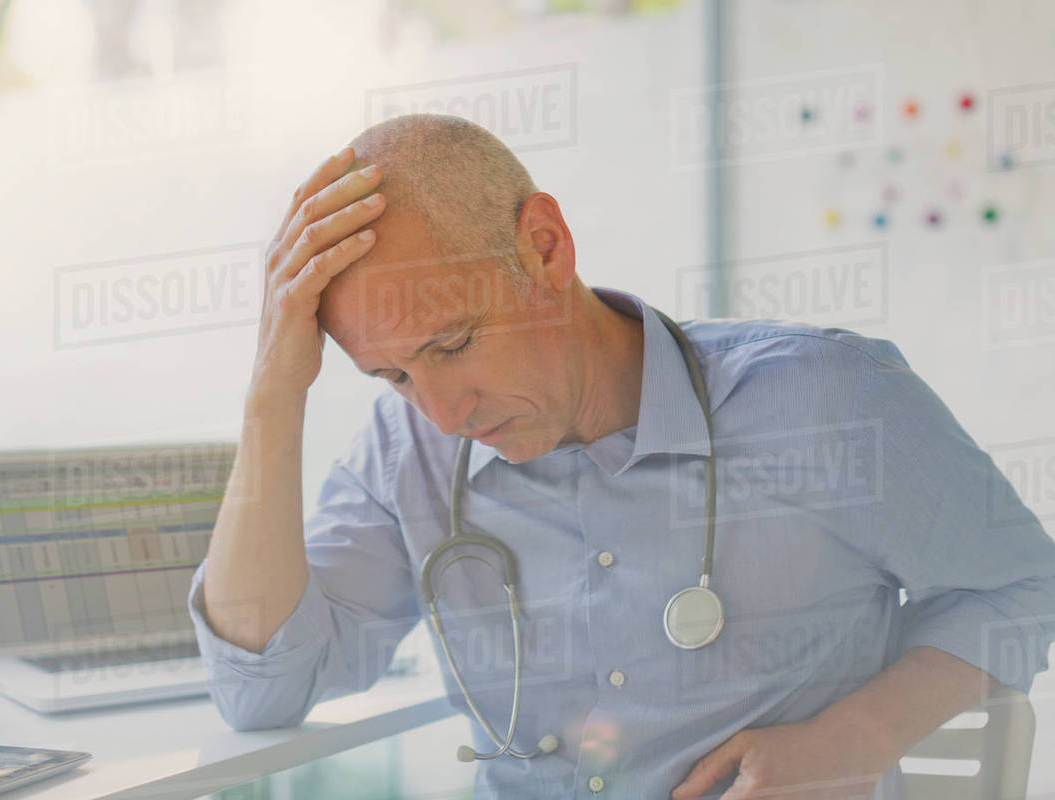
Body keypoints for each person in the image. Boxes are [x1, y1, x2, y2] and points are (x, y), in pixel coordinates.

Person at [187, 114, 1055, 799]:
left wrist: (853, 742)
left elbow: (1023, 583)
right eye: (393, 376)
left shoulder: (827, 399)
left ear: (545, 248)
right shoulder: (403, 453)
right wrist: (273, 394)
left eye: (451, 344)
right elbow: (261, 689)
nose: (443, 413)